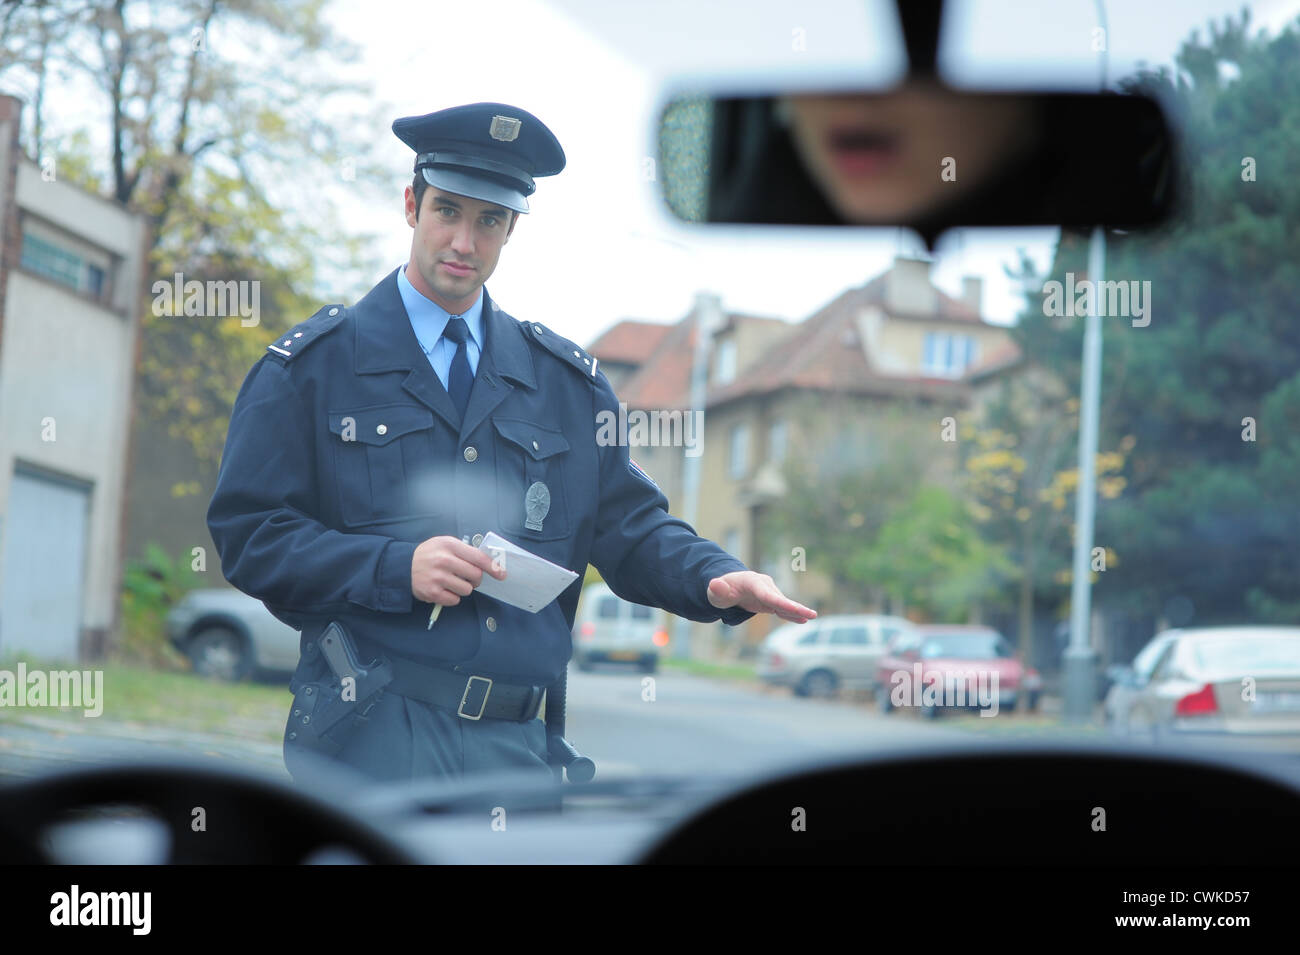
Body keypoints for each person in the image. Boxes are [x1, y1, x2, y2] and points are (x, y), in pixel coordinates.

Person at [206, 102, 815, 788]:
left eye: (489, 220)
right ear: (412, 204)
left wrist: (712, 576)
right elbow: (251, 532)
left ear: (511, 229)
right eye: (448, 211)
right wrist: (391, 566)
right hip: (368, 737)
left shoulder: (567, 387)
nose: (464, 241)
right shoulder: (312, 369)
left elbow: (631, 528)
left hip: (518, 756)